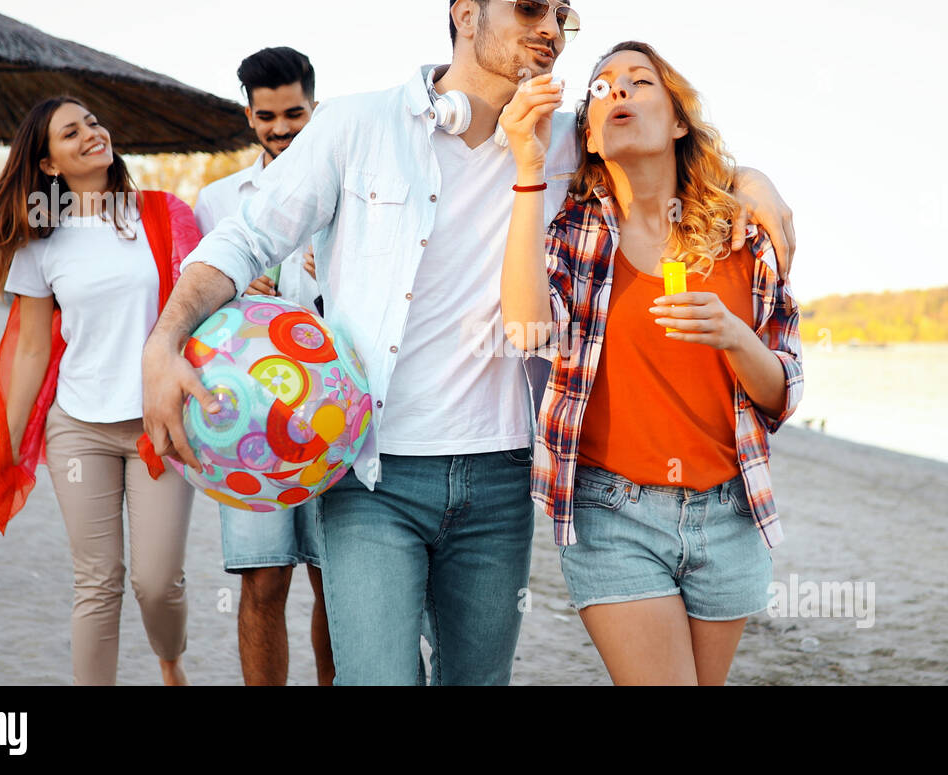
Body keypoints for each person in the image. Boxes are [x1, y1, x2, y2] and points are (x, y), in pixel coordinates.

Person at [142, 0, 794, 685]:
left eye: (562, 17)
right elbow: (247, 238)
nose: (549, 28)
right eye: (529, 8)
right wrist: (164, 342)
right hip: (374, 475)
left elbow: (673, 156)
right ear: (464, 14)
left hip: (501, 477)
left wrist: (754, 182)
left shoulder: (569, 139)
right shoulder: (357, 125)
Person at [499, 41, 804, 684]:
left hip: (730, 514)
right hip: (614, 514)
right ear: (588, 132)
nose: (617, 93)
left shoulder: (743, 234)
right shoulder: (572, 234)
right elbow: (525, 330)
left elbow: (783, 395)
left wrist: (736, 339)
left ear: (678, 121)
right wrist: (529, 171)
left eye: (639, 82)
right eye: (602, 88)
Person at [0, 96, 201, 686]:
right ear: (48, 165)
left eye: (92, 122)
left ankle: (170, 660)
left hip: (160, 424)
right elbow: (33, 348)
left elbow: (207, 313)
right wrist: (12, 442)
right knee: (97, 581)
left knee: (156, 580)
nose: (92, 134)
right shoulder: (40, 242)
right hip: (78, 429)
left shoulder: (164, 215)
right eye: (72, 132)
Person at [193, 46, 334, 687]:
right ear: (249, 116)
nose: (280, 128)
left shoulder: (350, 195)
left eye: (295, 113)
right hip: (246, 423)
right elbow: (199, 311)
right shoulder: (216, 203)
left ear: (314, 106)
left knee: (338, 584)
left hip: (336, 415)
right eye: (267, 116)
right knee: (263, 581)